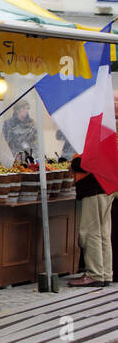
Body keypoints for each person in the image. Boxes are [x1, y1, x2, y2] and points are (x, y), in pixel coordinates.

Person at [69, 91, 118, 287]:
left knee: (91, 231)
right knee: (103, 231)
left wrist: (74, 163)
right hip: (107, 184)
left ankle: (95, 273)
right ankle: (105, 272)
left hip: (97, 184)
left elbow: (91, 159)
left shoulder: (107, 127)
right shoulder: (109, 127)